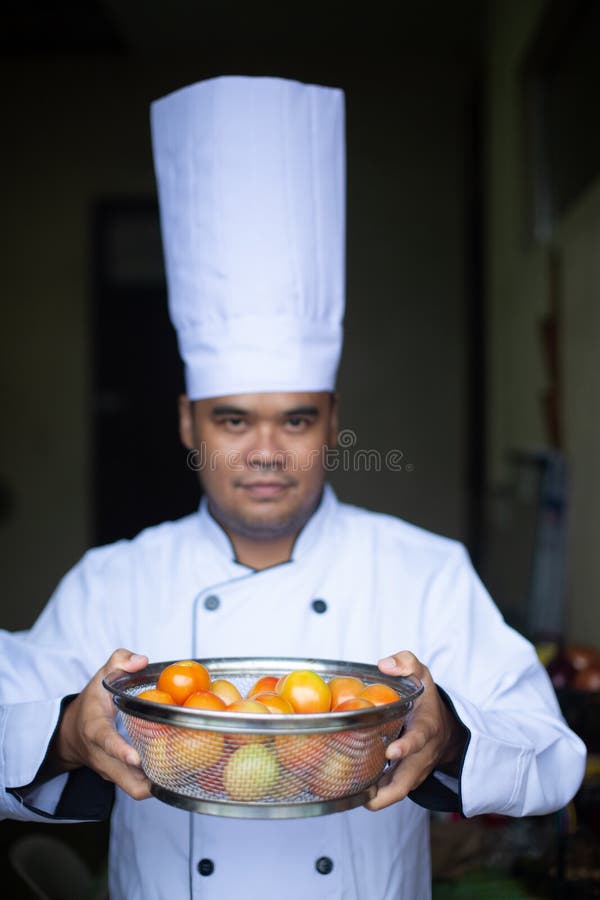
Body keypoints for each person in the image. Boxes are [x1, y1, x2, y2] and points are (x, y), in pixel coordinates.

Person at [0, 76, 585, 900]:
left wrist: (448, 735)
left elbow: (553, 757)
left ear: (333, 419)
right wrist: (65, 733)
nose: (267, 451)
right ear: (186, 423)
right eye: (234, 421)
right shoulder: (113, 580)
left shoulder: (426, 569)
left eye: (297, 421)